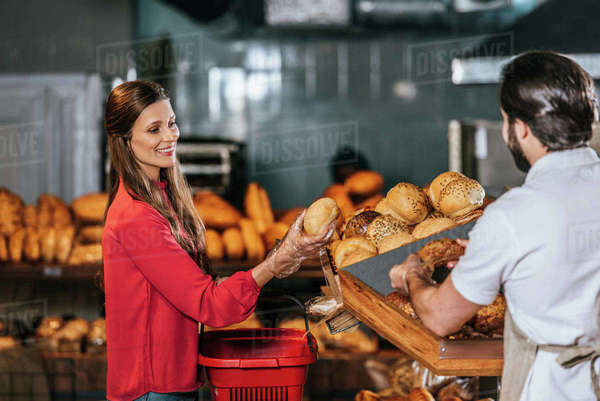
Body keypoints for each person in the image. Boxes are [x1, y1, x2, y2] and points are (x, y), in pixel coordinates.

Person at [102, 80, 335, 401]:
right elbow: (208, 304)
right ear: (125, 141)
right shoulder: (137, 217)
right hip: (152, 390)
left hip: (174, 381)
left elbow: (193, 287)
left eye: (171, 123)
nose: (171, 136)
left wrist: (283, 255)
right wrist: (277, 261)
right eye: (154, 130)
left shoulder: (162, 197)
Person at [389, 51, 600, 401]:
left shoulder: (513, 214)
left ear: (521, 127)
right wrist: (506, 259)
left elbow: (442, 318)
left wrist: (413, 274)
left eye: (505, 120)